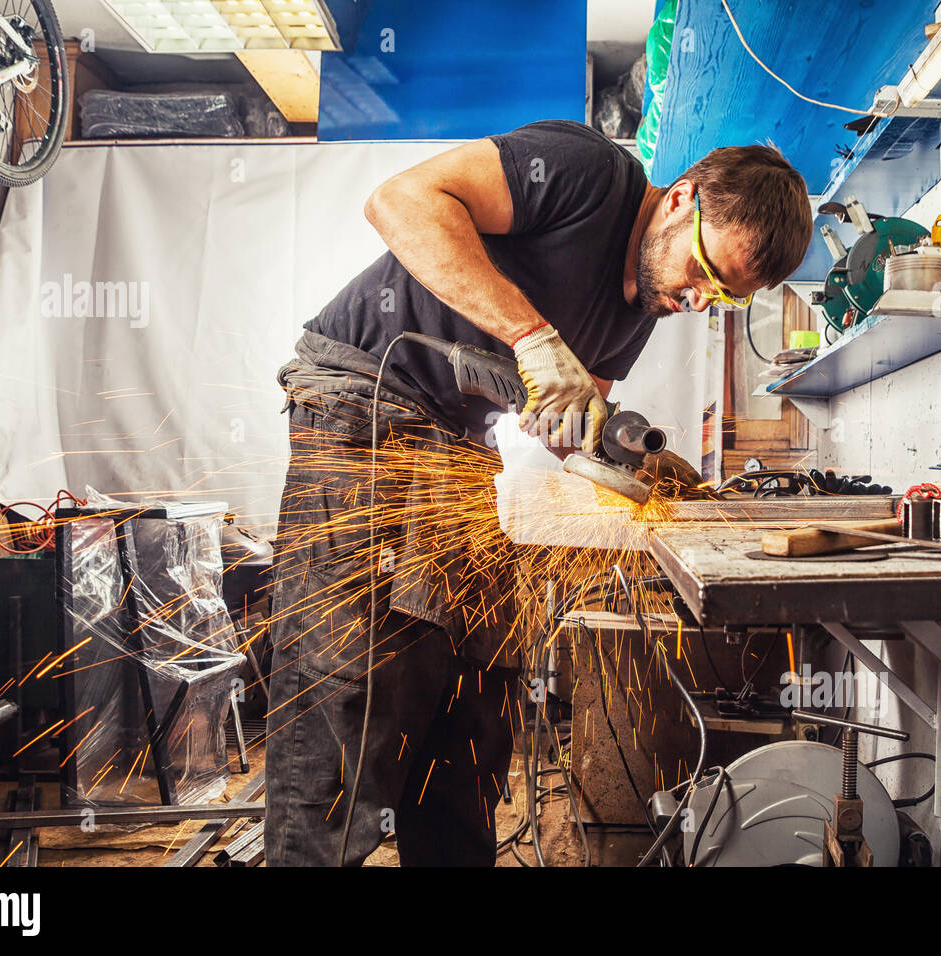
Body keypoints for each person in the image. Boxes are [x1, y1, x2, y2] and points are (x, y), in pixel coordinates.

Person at [265, 119, 813, 866]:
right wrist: (531, 336)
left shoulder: (636, 312)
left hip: (455, 448)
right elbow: (399, 200)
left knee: (474, 690)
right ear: (682, 199)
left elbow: (565, 427)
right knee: (348, 684)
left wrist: (638, 467)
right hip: (362, 404)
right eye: (705, 275)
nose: (699, 301)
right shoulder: (587, 172)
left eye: (725, 299)